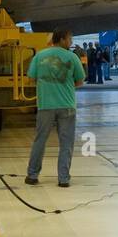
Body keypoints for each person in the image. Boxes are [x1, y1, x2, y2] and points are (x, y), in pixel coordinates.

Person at [25, 29, 86, 188]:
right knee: (66, 143)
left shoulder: (39, 56)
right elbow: (80, 81)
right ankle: (63, 179)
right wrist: (64, 86)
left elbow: (31, 78)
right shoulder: (72, 57)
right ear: (62, 39)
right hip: (67, 106)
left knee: (40, 141)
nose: (71, 42)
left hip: (45, 105)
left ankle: (32, 175)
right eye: (70, 38)